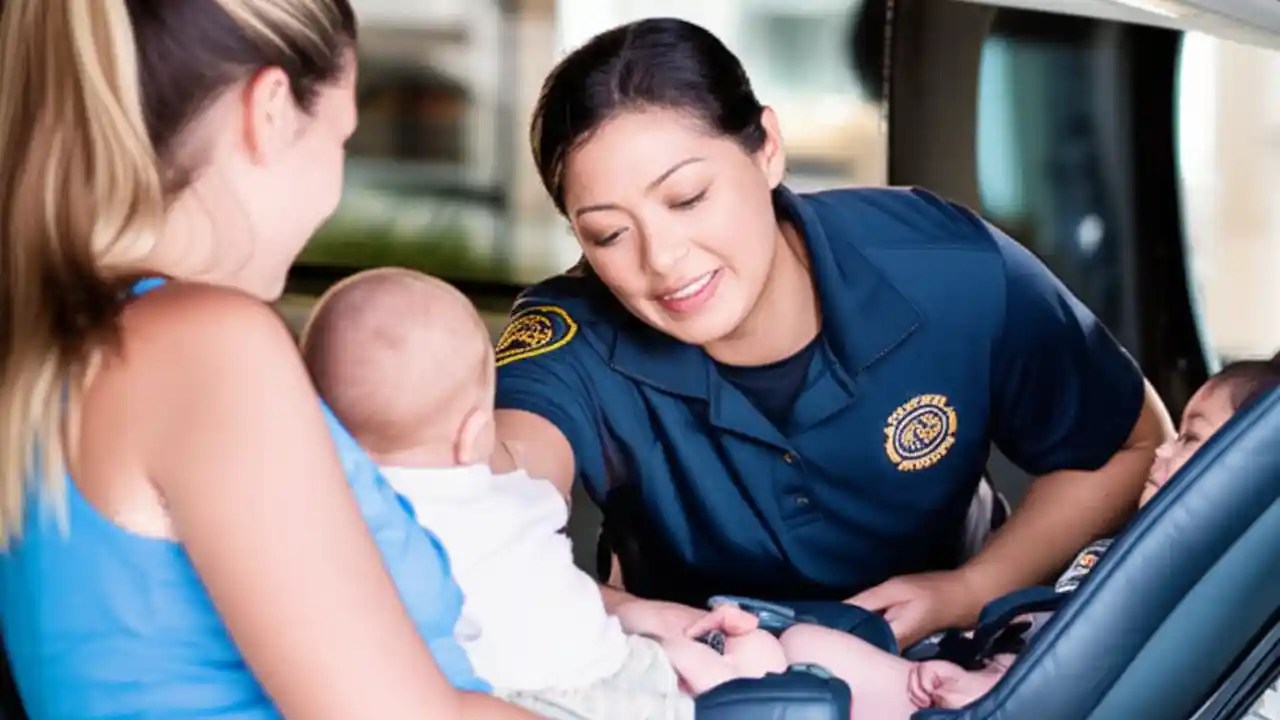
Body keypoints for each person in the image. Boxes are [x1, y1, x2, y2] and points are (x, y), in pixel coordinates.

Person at [492, 16, 1174, 651]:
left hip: (953, 666)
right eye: (609, 233)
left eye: (689, 198)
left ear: (767, 150)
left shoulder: (945, 267)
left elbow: (1131, 443)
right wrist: (626, 617)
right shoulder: (568, 336)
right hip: (695, 683)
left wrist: (974, 590)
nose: (662, 258)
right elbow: (480, 515)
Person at [0, 2, 534, 718]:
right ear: (273, 110)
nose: (333, 194)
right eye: (343, 137)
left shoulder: (61, 342)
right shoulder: (203, 347)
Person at [300, 267, 930, 719]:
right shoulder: (509, 498)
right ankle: (943, 689)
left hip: (483, 695)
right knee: (774, 649)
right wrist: (658, 623)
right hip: (603, 687)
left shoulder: (318, 523)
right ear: (474, 434)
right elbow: (557, 597)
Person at [908, 354, 1280, 710]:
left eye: (1190, 439)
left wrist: (998, 684)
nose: (1163, 450)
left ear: (1242, 485)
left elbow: (1089, 670)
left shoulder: (1182, 588)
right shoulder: (1133, 555)